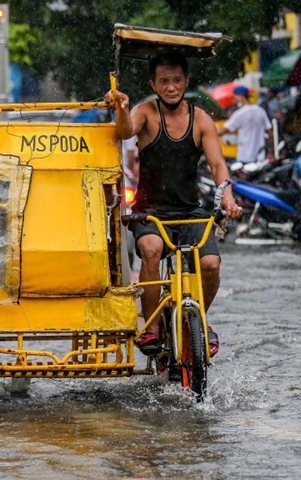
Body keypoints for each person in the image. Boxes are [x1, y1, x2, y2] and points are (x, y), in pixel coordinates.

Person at [106, 53, 243, 355]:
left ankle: (200, 319)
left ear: (186, 82)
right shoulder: (145, 112)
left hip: (190, 212)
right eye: (164, 81)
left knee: (211, 264)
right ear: (153, 84)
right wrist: (121, 108)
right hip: (150, 212)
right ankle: (153, 327)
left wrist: (227, 196)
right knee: (151, 250)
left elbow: (218, 165)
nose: (171, 87)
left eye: (177, 80)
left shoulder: (201, 119)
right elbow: (125, 131)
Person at [217, 86, 273, 163]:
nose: (234, 99)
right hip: (260, 157)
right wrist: (270, 151)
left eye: (235, 96)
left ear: (240, 96)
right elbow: (269, 133)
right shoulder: (260, 110)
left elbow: (222, 131)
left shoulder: (240, 113)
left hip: (245, 156)